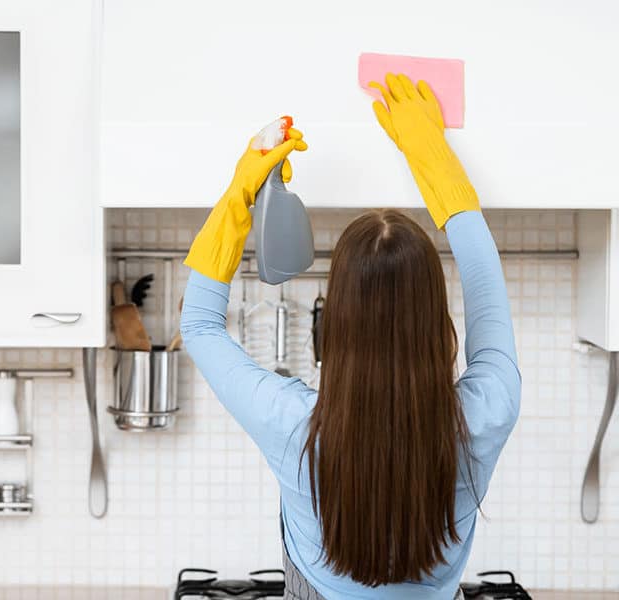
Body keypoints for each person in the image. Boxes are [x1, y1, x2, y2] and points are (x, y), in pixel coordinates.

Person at [180, 74, 521, 599]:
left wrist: (241, 193)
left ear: (333, 322)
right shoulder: (485, 411)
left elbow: (199, 324)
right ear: (438, 321)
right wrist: (430, 152)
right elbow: (483, 277)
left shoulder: (290, 421)